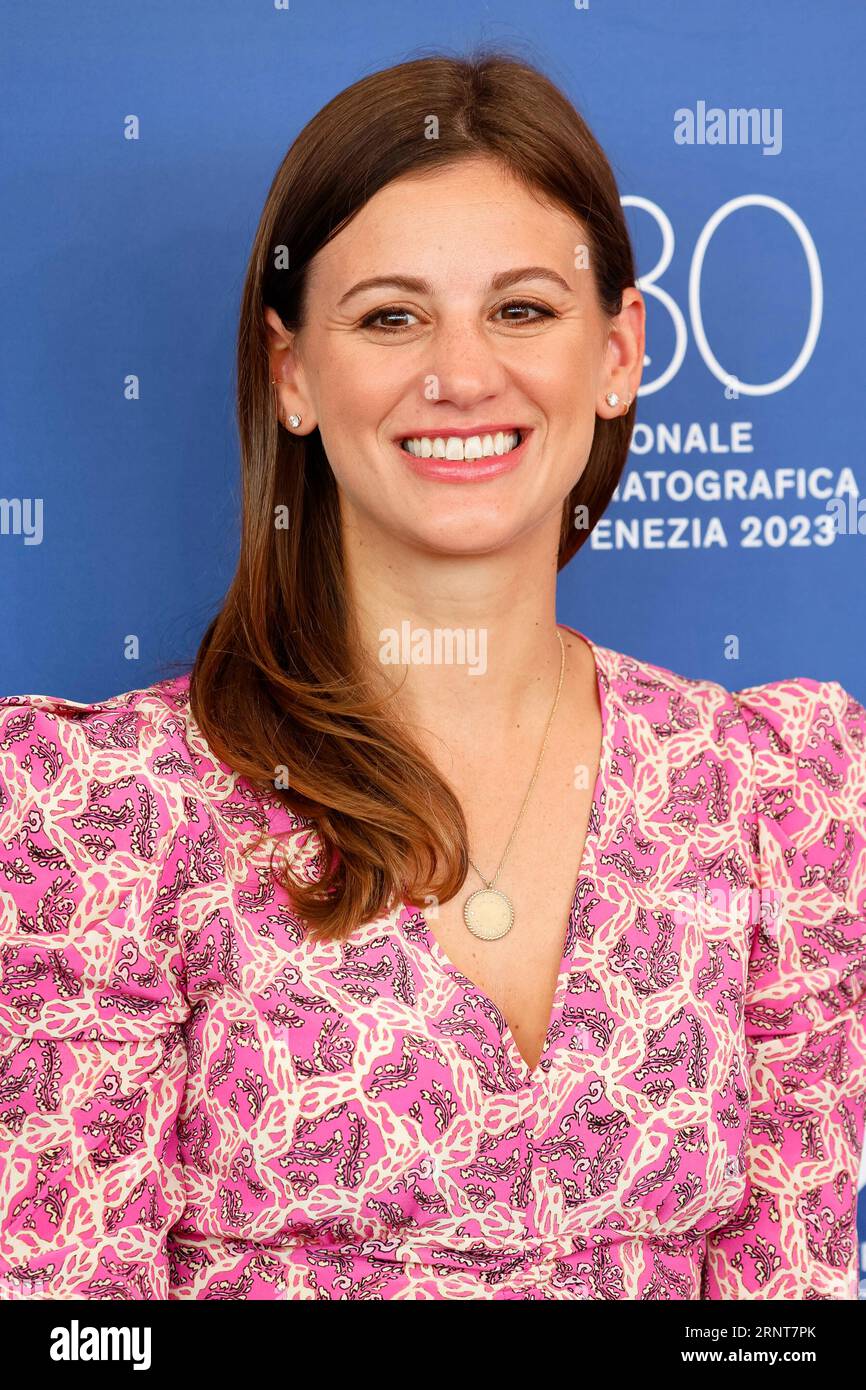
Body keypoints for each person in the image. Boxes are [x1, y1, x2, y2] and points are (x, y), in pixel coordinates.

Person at [1, 50, 864, 1302]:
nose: (460, 374)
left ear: (618, 352)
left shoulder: (778, 797)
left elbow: (781, 1320)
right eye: (391, 315)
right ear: (292, 374)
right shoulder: (104, 816)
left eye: (521, 308)